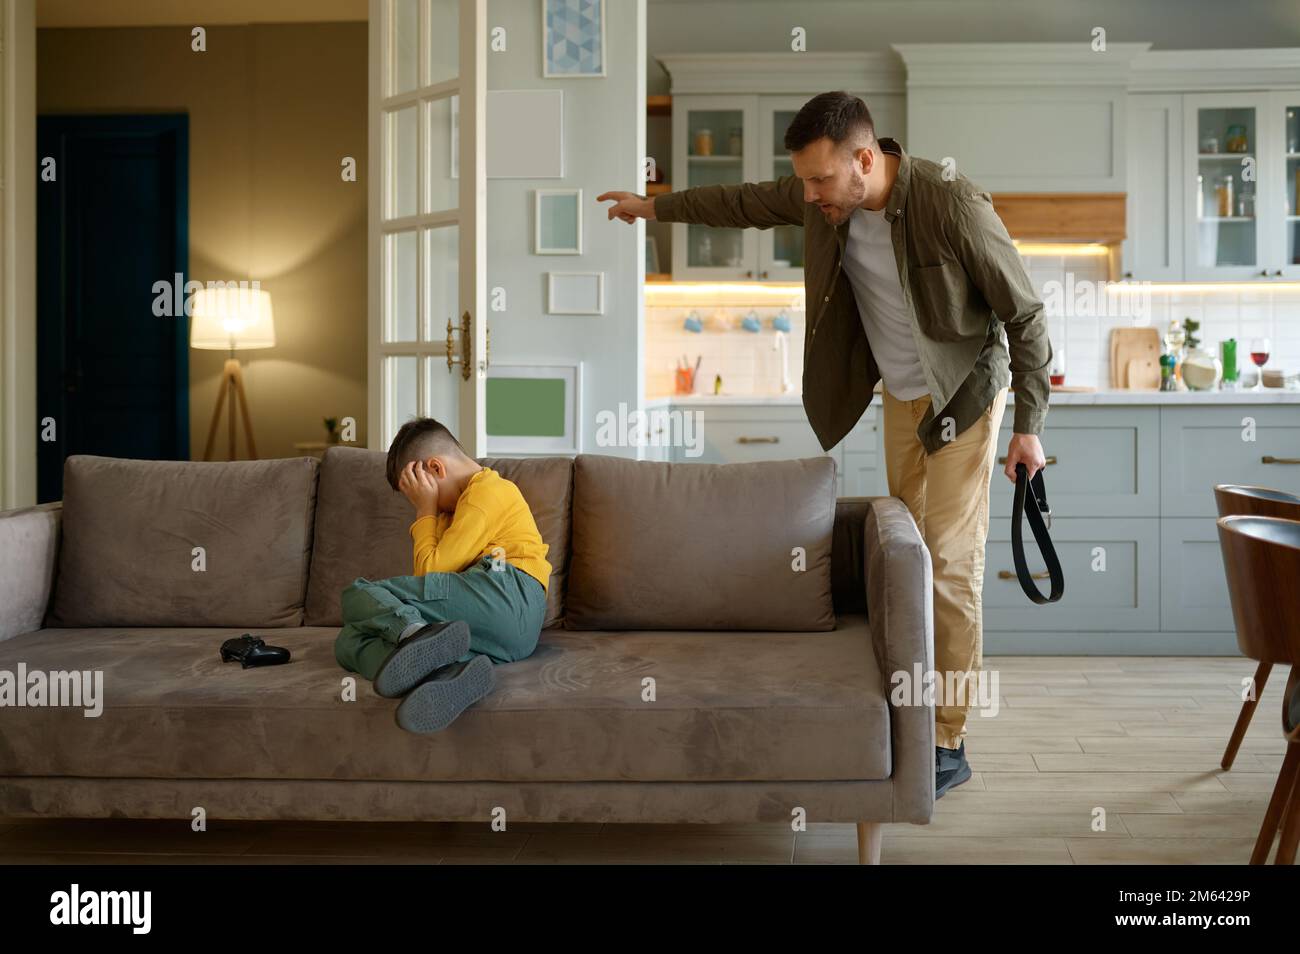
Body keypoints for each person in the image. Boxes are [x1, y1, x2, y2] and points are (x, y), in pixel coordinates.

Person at [598, 90, 1051, 799]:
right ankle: (907, 710)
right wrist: (651, 207)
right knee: (904, 556)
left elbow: (1023, 314)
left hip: (963, 395)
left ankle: (945, 738)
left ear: (865, 160)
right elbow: (743, 202)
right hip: (902, 397)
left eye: (819, 181)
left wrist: (1029, 425)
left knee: (946, 565)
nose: (807, 196)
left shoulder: (950, 204)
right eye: (803, 181)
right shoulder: (826, 199)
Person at [333, 418, 551, 734]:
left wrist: (425, 510)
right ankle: (448, 674)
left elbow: (431, 572)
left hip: (507, 592)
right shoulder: (454, 512)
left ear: (435, 469)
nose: (424, 502)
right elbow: (434, 586)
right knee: (348, 641)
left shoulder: (488, 491)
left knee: (357, 593)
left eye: (419, 491)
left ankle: (413, 635)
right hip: (500, 632)